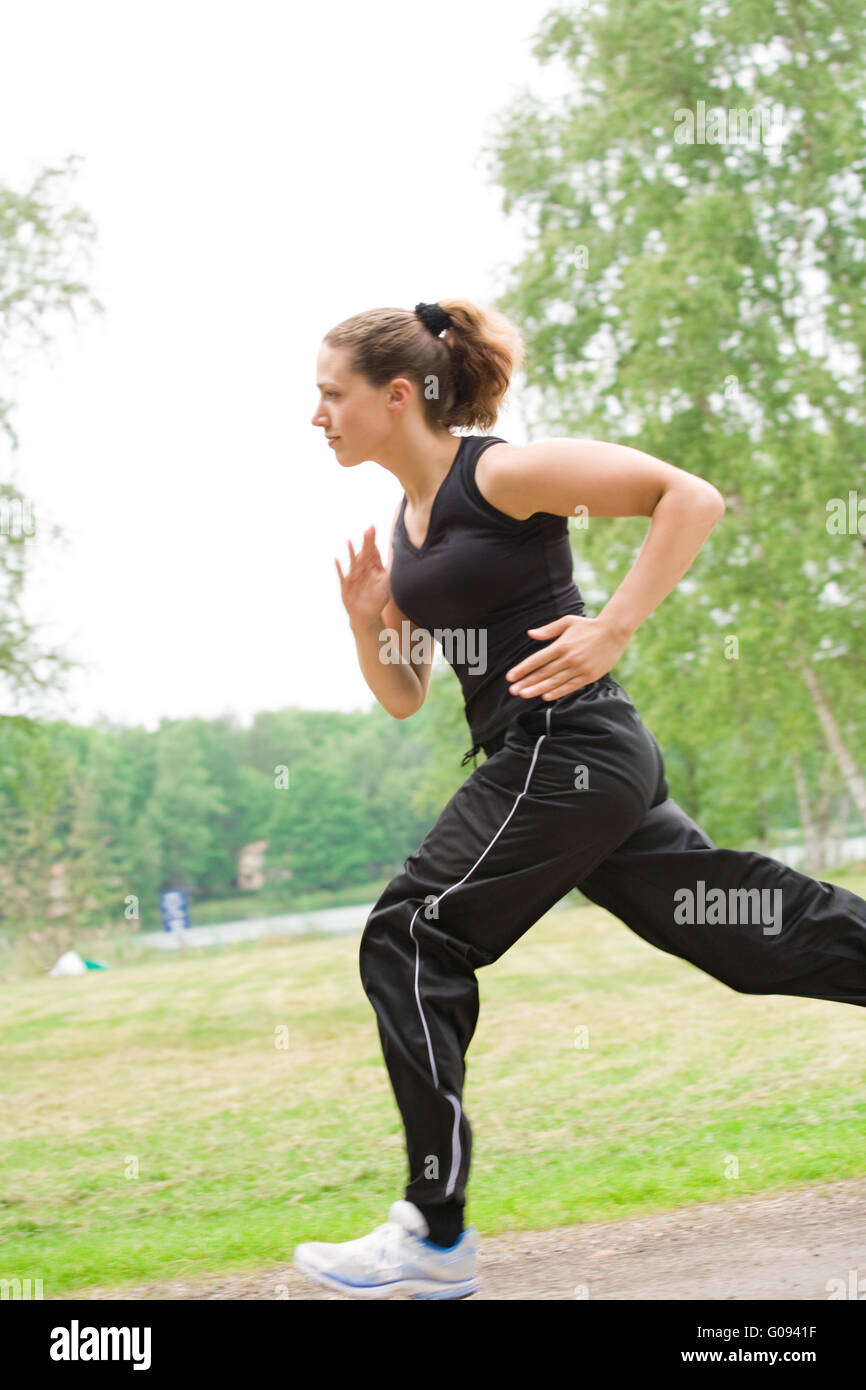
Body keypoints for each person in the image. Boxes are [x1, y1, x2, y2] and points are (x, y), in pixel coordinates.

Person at [293, 298, 866, 1300]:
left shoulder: (499, 472)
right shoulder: (410, 523)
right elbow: (404, 696)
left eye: (329, 394)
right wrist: (362, 622)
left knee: (410, 930)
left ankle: (432, 1234)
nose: (317, 415)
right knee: (738, 933)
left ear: (395, 395)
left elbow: (687, 497)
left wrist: (612, 626)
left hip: (568, 749)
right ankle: (430, 1237)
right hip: (560, 764)